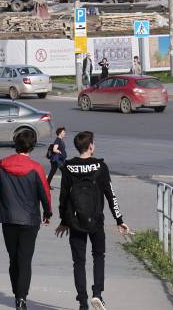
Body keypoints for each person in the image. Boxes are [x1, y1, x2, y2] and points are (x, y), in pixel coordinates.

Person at [55, 131, 130, 310]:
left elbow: (63, 197)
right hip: (96, 221)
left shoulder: (68, 166)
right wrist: (119, 220)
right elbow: (111, 195)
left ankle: (82, 302)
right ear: (90, 147)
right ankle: (97, 294)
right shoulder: (100, 167)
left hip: (75, 222)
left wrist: (64, 220)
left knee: (78, 262)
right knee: (98, 257)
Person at [0, 128, 52, 310]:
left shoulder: (2, 164)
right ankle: (21, 299)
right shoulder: (36, 168)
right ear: (31, 147)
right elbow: (45, 193)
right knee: (25, 260)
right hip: (30, 220)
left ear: (15, 144)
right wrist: (48, 213)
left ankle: (17, 293)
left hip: (8, 218)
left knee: (13, 258)